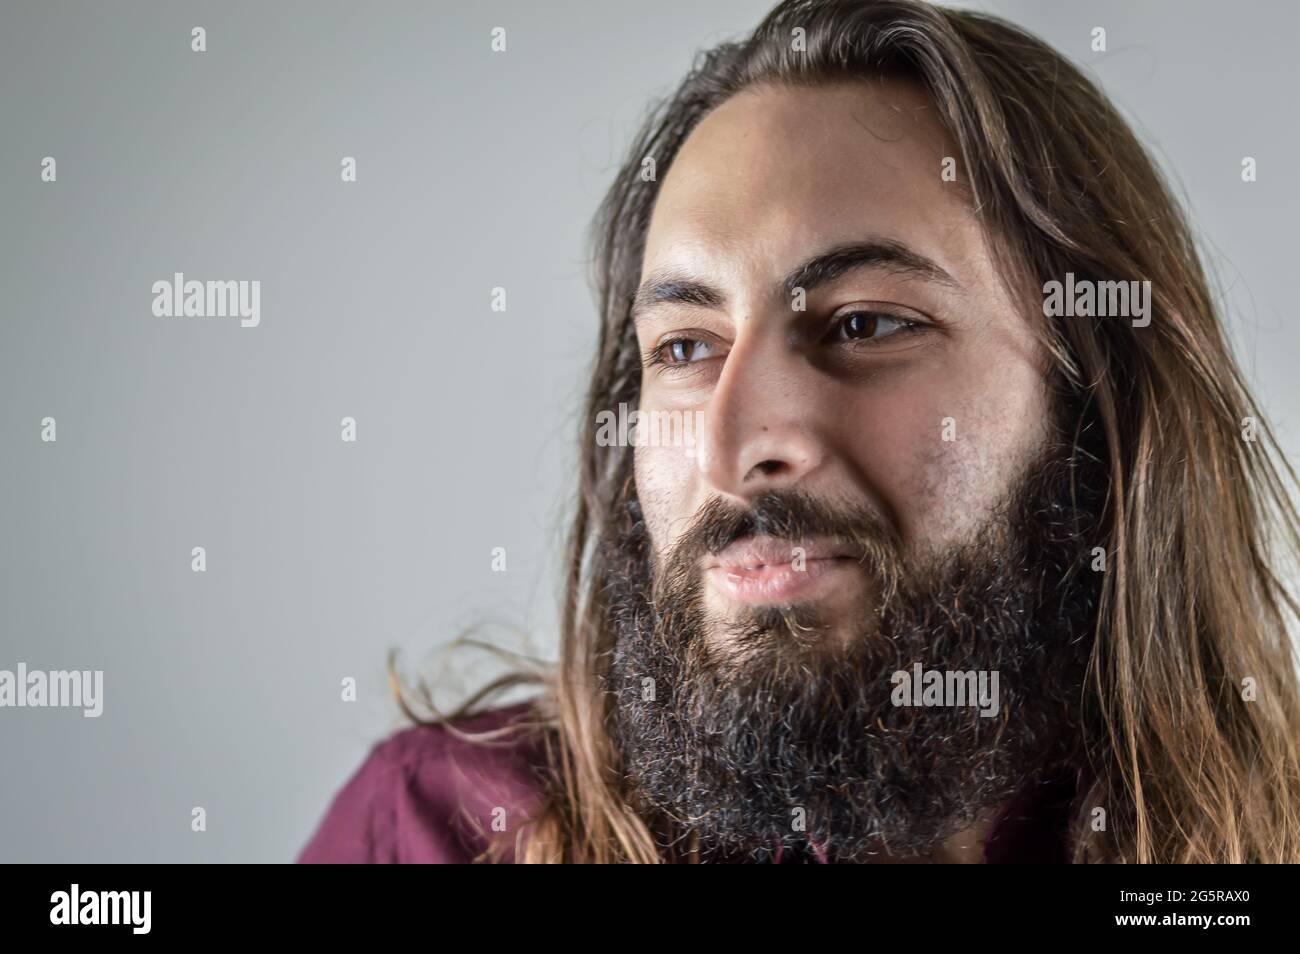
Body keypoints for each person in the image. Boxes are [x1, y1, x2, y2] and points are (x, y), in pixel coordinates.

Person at [299, 0, 1300, 864]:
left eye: (864, 325)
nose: (733, 445)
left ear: (1096, 400)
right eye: (685, 346)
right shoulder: (445, 831)